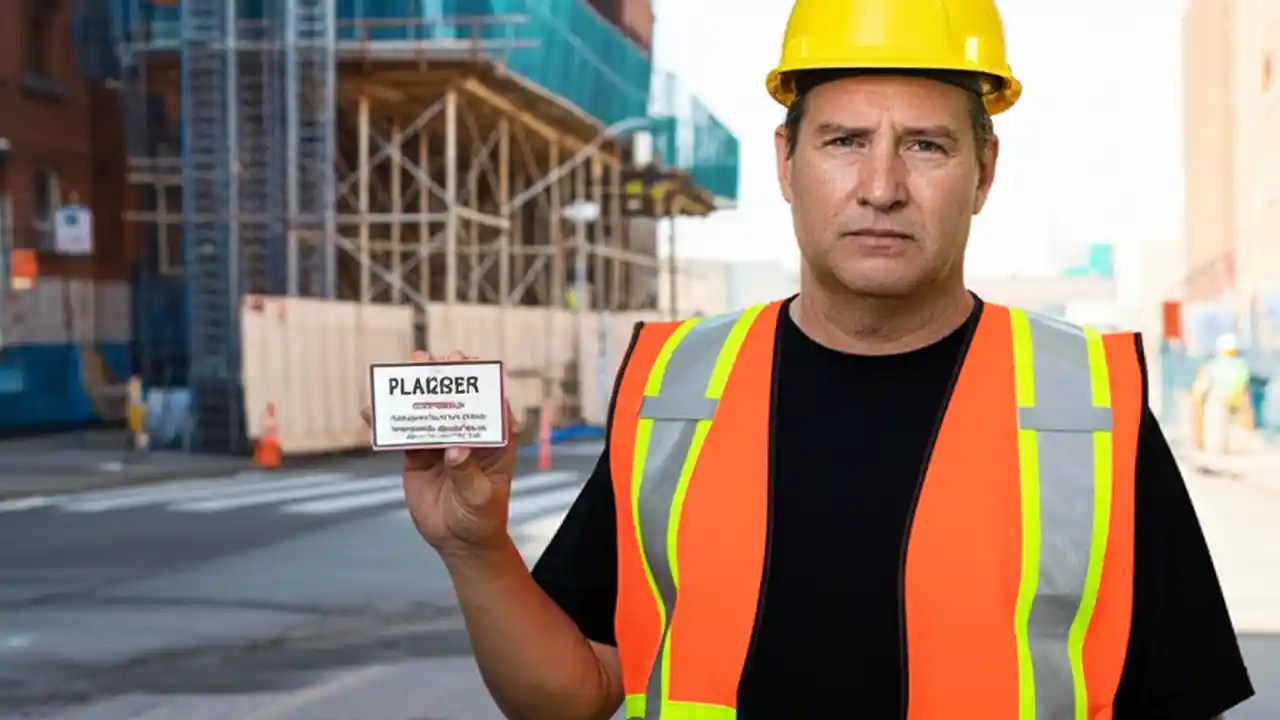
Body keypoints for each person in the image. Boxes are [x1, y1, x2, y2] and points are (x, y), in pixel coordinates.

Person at [370, 0, 1255, 717]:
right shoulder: (677, 391)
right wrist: (476, 552)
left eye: (926, 144)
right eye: (842, 142)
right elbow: (578, 691)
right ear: (787, 163)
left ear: (985, 172)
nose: (881, 186)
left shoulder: (1089, 406)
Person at [1193, 333, 1254, 473]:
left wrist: (1199, 398)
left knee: (1215, 431)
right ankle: (1221, 460)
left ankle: (1216, 461)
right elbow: (1245, 387)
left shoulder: (1215, 365)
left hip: (1218, 399)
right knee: (1225, 432)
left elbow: (1204, 384)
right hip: (1233, 400)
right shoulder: (1240, 365)